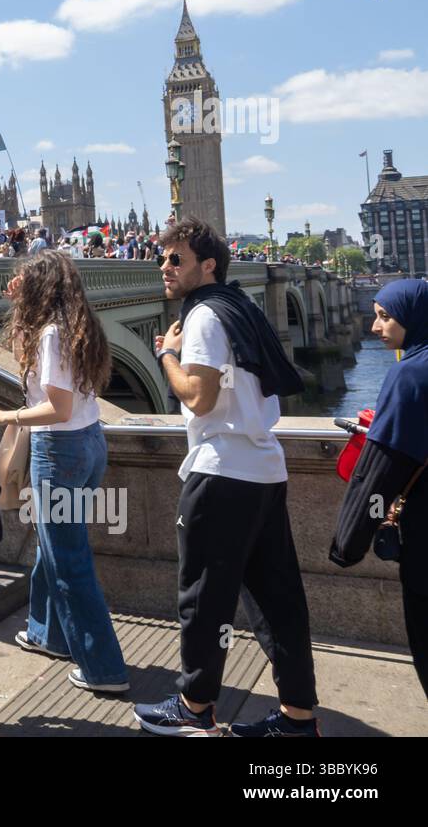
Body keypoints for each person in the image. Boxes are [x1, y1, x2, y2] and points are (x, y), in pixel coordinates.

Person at [134, 218, 317, 737]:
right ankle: (299, 719)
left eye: (176, 259)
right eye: (161, 257)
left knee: (203, 599)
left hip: (221, 474)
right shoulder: (242, 307)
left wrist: (165, 353)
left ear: (207, 265)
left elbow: (198, 395)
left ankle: (193, 708)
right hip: (263, 470)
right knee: (278, 600)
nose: (163, 267)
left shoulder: (204, 317)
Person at [0, 252, 128, 693]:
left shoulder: (52, 334)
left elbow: (54, 407)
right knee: (53, 544)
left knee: (69, 562)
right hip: (88, 443)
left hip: (60, 452)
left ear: (38, 285)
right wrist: (21, 313)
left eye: (24, 283)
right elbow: (41, 378)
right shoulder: (73, 325)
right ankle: (49, 634)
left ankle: (104, 669)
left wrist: (7, 417)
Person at [330, 278, 428, 695]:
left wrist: (347, 543)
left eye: (385, 317)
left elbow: (379, 473)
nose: (374, 327)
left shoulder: (409, 376)